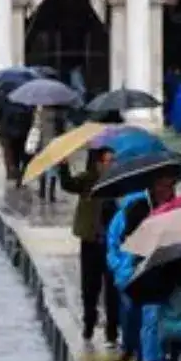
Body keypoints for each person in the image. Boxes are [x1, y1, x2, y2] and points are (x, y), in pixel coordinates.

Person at [107, 173, 176, 361]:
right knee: (132, 316)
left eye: (172, 186)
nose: (170, 191)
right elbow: (116, 244)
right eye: (165, 186)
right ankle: (131, 348)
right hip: (132, 273)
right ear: (154, 187)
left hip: (158, 272)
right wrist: (122, 270)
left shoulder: (174, 209)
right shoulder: (133, 210)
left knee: (153, 317)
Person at [59, 147, 119, 346]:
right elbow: (68, 184)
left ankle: (112, 330)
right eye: (108, 161)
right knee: (90, 286)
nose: (111, 164)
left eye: (113, 160)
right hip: (91, 242)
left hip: (112, 244)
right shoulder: (88, 180)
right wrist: (64, 166)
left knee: (112, 289)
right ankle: (89, 324)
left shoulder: (119, 183)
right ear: (99, 163)